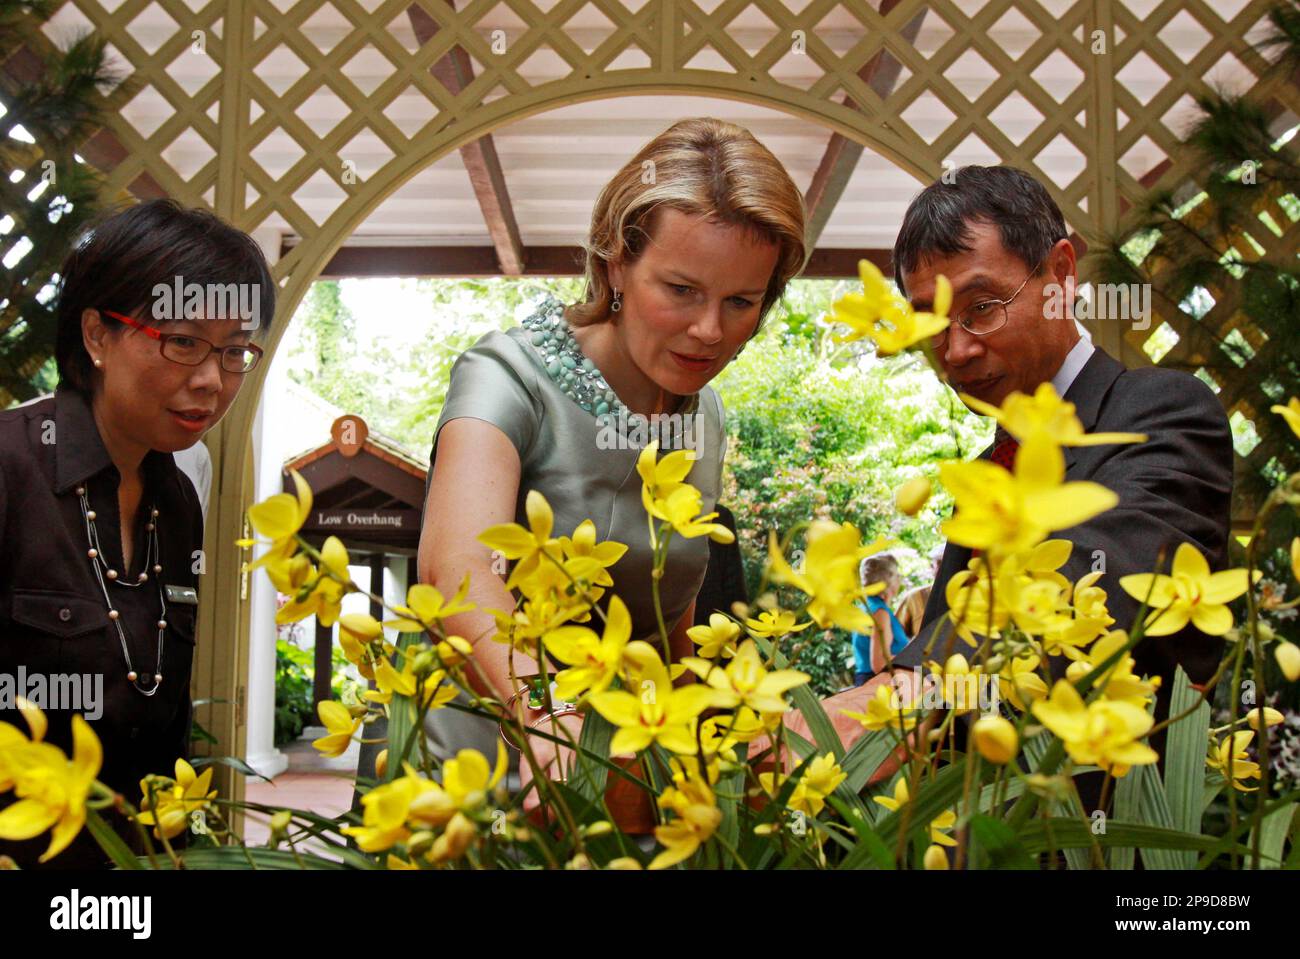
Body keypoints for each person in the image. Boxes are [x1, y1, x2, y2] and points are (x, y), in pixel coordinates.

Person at [761, 165, 1233, 769]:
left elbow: (1109, 577)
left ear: (1060, 275)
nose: (956, 350)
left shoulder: (1160, 412)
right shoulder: (987, 476)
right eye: (934, 322)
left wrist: (903, 696)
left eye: (982, 307)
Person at [410, 118, 807, 818]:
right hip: (494, 776)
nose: (710, 330)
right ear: (616, 261)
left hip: (633, 784)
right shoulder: (505, 374)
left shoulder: (703, 412)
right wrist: (555, 724)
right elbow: (456, 570)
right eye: (681, 289)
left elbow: (670, 612)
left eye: (741, 302)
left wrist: (706, 739)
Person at [0, 199, 276, 868]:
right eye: (183, 342)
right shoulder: (11, 467)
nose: (213, 379)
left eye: (235, 350)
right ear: (96, 335)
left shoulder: (179, 498)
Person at [850, 554, 909, 684]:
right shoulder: (880, 613)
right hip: (878, 683)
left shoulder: (867, 606)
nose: (899, 579)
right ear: (887, 580)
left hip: (869, 679)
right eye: (897, 575)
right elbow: (879, 663)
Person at [894, 544, 942, 639]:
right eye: (940, 564)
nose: (945, 569)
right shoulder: (914, 597)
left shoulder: (972, 596)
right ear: (931, 567)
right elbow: (895, 637)